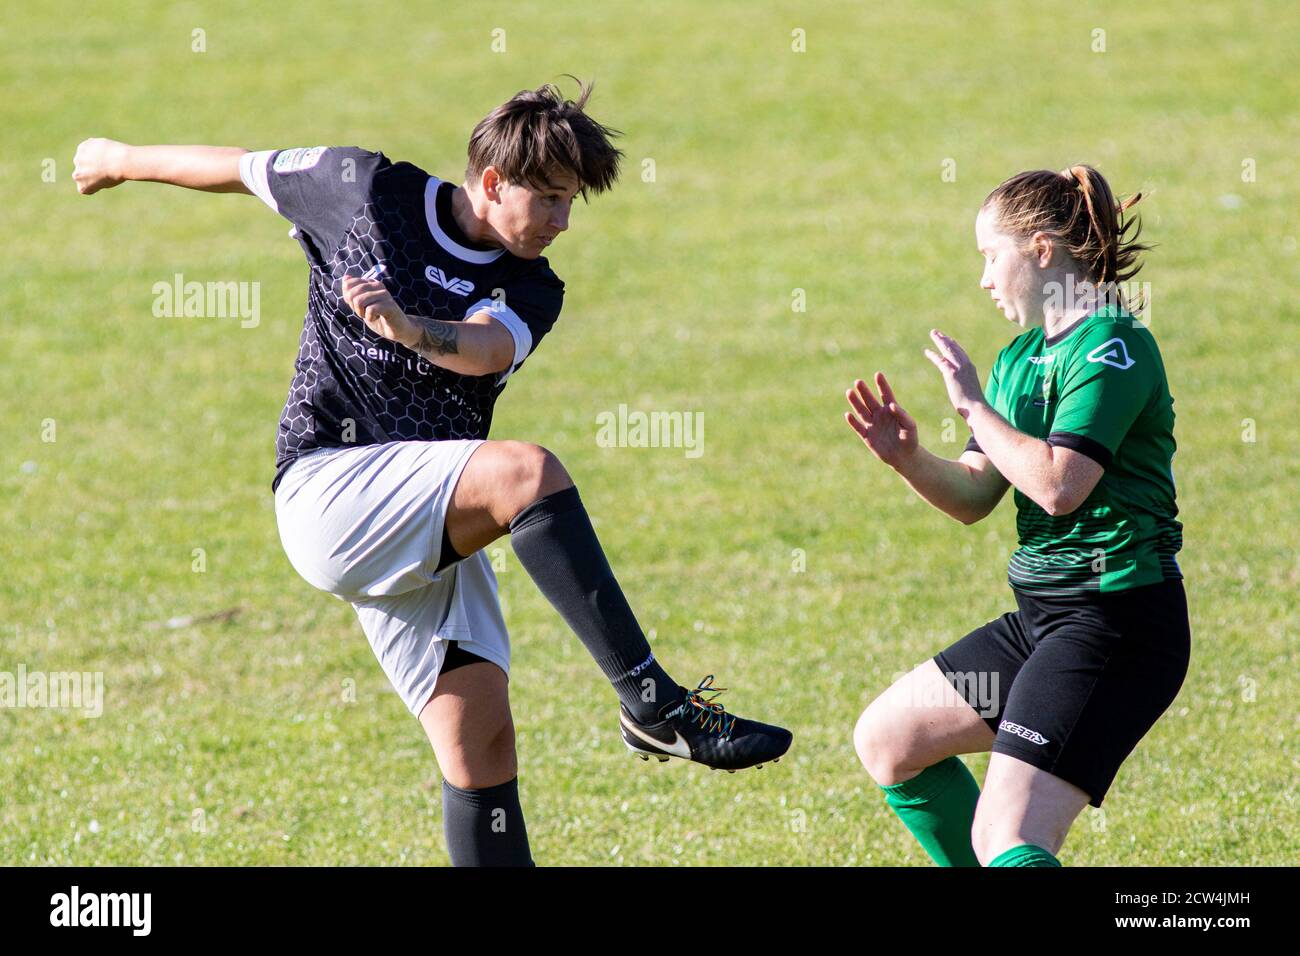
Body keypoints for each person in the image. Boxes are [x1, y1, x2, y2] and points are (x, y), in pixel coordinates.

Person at [73, 81, 791, 867]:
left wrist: (413, 330)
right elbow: (240, 168)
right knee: (528, 473)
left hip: (425, 514)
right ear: (492, 183)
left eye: (571, 203)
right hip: (330, 491)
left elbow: (485, 349)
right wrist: (119, 159)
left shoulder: (531, 285)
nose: (561, 222)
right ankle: (653, 703)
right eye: (549, 199)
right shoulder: (360, 189)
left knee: (479, 742)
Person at [845, 165, 1188, 867]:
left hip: (1117, 625)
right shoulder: (1020, 359)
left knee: (1008, 836)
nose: (983, 279)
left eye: (987, 256)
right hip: (1045, 619)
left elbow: (1061, 486)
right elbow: (975, 494)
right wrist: (908, 458)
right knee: (889, 740)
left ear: (1038, 250)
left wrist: (973, 407)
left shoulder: (1114, 348)